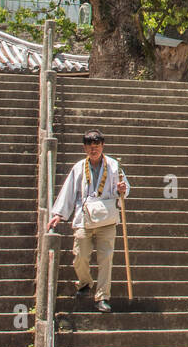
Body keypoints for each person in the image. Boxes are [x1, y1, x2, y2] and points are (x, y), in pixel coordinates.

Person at [49, 130, 131, 315]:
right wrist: (59, 215)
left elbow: (124, 189)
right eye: (90, 147)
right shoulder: (79, 167)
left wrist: (121, 189)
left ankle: (102, 297)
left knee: (105, 259)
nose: (93, 150)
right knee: (80, 255)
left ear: (102, 146)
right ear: (85, 147)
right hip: (84, 217)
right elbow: (69, 191)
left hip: (107, 218)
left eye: (97, 146)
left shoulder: (113, 166)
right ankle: (85, 282)